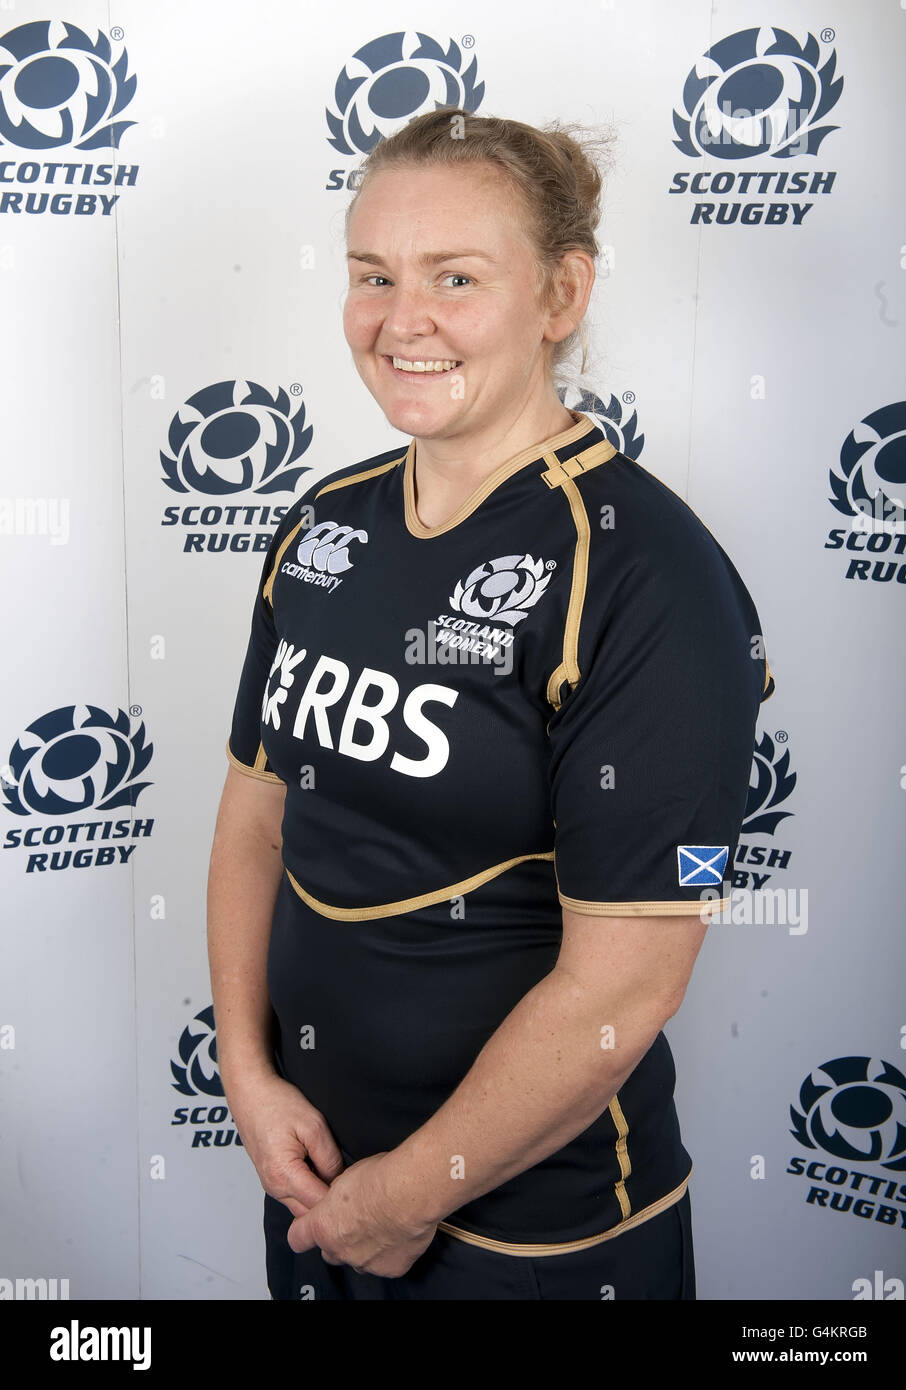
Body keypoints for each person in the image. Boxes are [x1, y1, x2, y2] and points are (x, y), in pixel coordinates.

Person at [206, 107, 774, 1301]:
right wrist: (248, 1078)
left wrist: (409, 1193)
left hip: (535, 1234)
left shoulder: (642, 573)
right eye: (373, 276)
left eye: (453, 277)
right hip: (317, 1179)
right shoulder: (322, 524)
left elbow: (626, 980)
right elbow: (256, 816)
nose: (398, 321)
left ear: (559, 295)